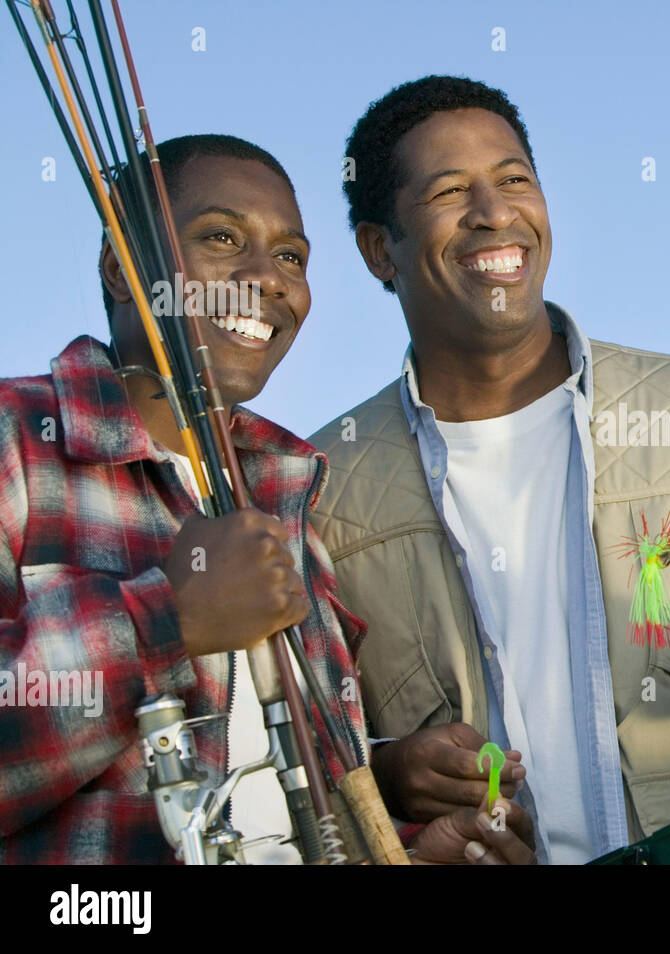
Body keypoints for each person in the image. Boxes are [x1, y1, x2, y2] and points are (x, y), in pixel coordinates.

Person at [309, 75, 670, 863]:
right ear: (381, 249)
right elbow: (300, 765)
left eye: (515, 179)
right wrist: (387, 771)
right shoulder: (319, 482)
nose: (495, 211)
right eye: (450, 191)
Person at [0, 134, 532, 865]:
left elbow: (286, 808)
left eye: (291, 257)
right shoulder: (17, 442)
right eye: (222, 237)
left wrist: (411, 849)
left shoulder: (285, 492)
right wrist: (170, 620)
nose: (270, 279)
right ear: (122, 268)